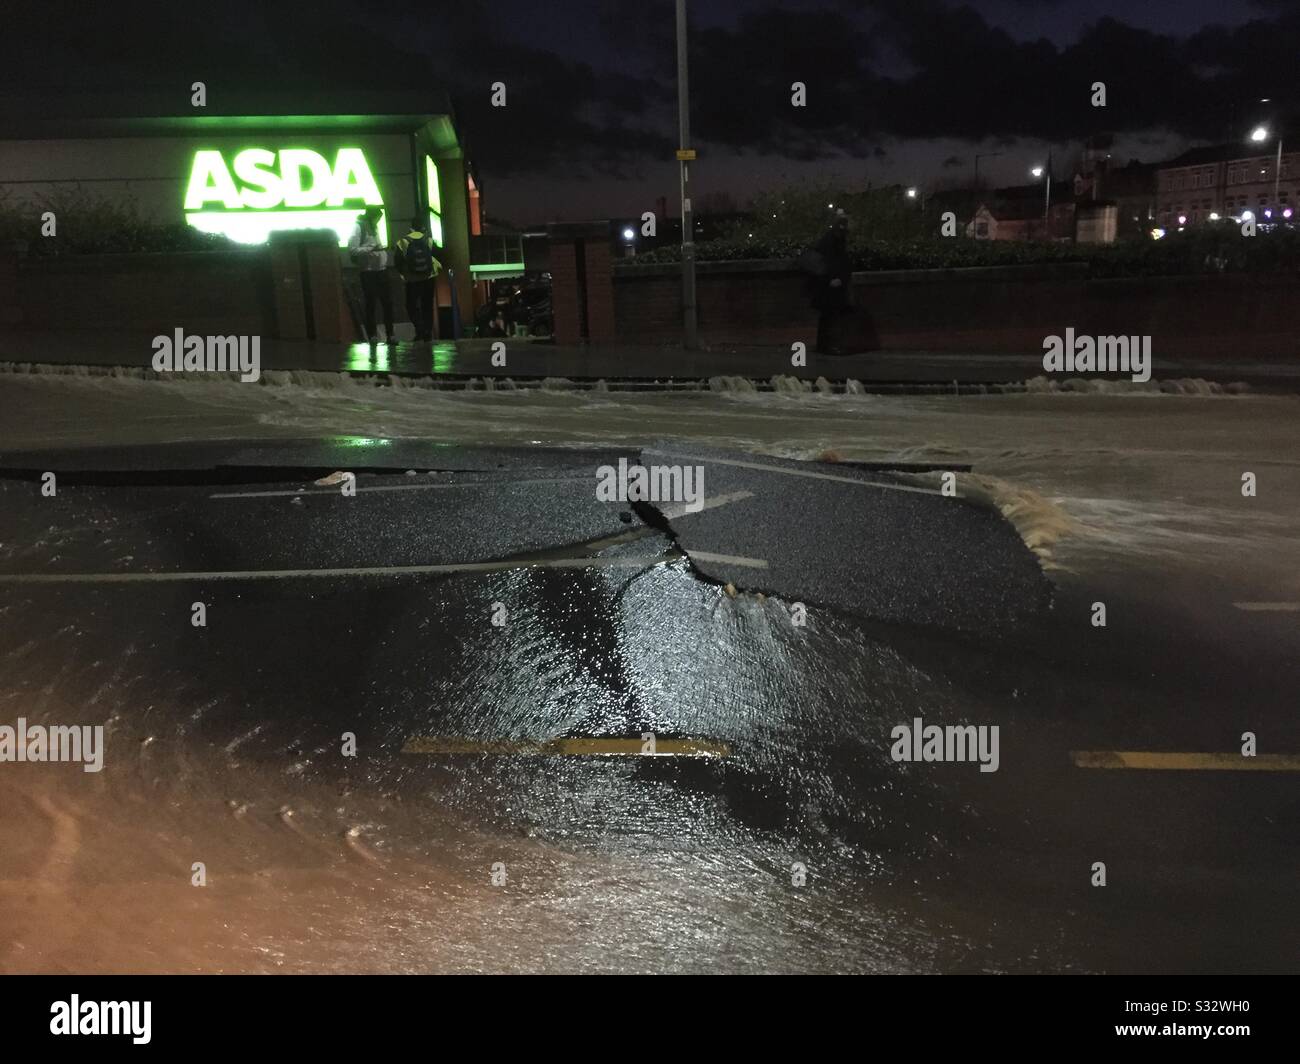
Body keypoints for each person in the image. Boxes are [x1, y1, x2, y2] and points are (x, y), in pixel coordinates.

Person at [806, 208, 852, 355]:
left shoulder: (832, 239)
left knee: (827, 316)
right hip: (830, 285)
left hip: (828, 284)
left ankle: (825, 346)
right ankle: (830, 346)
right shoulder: (833, 240)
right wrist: (833, 278)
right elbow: (832, 261)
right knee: (831, 316)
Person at [348, 205, 394, 347]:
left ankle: (390, 334)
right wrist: (370, 249)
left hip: (381, 269)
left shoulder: (374, 227)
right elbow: (353, 249)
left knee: (387, 303)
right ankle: (372, 335)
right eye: (377, 218)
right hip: (368, 271)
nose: (378, 221)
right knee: (371, 304)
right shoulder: (358, 227)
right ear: (371, 216)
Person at [394, 215, 440, 342]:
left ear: (411, 227)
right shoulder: (429, 240)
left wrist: (404, 274)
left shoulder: (403, 241)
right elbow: (438, 255)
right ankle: (427, 332)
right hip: (428, 277)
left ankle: (419, 329)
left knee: (411, 305)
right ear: (423, 227)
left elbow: (397, 261)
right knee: (427, 305)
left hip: (412, 280)